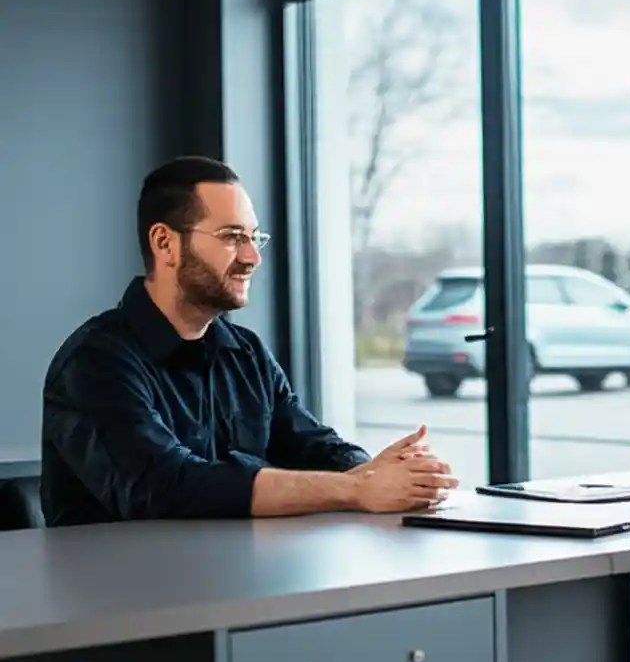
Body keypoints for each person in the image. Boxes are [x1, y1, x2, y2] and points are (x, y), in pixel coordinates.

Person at [42, 156, 457, 527]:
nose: (252, 257)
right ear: (165, 243)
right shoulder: (94, 363)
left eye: (254, 238)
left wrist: (377, 474)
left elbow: (312, 446)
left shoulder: (246, 353)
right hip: (120, 605)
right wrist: (357, 489)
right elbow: (166, 487)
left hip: (234, 588)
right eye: (231, 236)